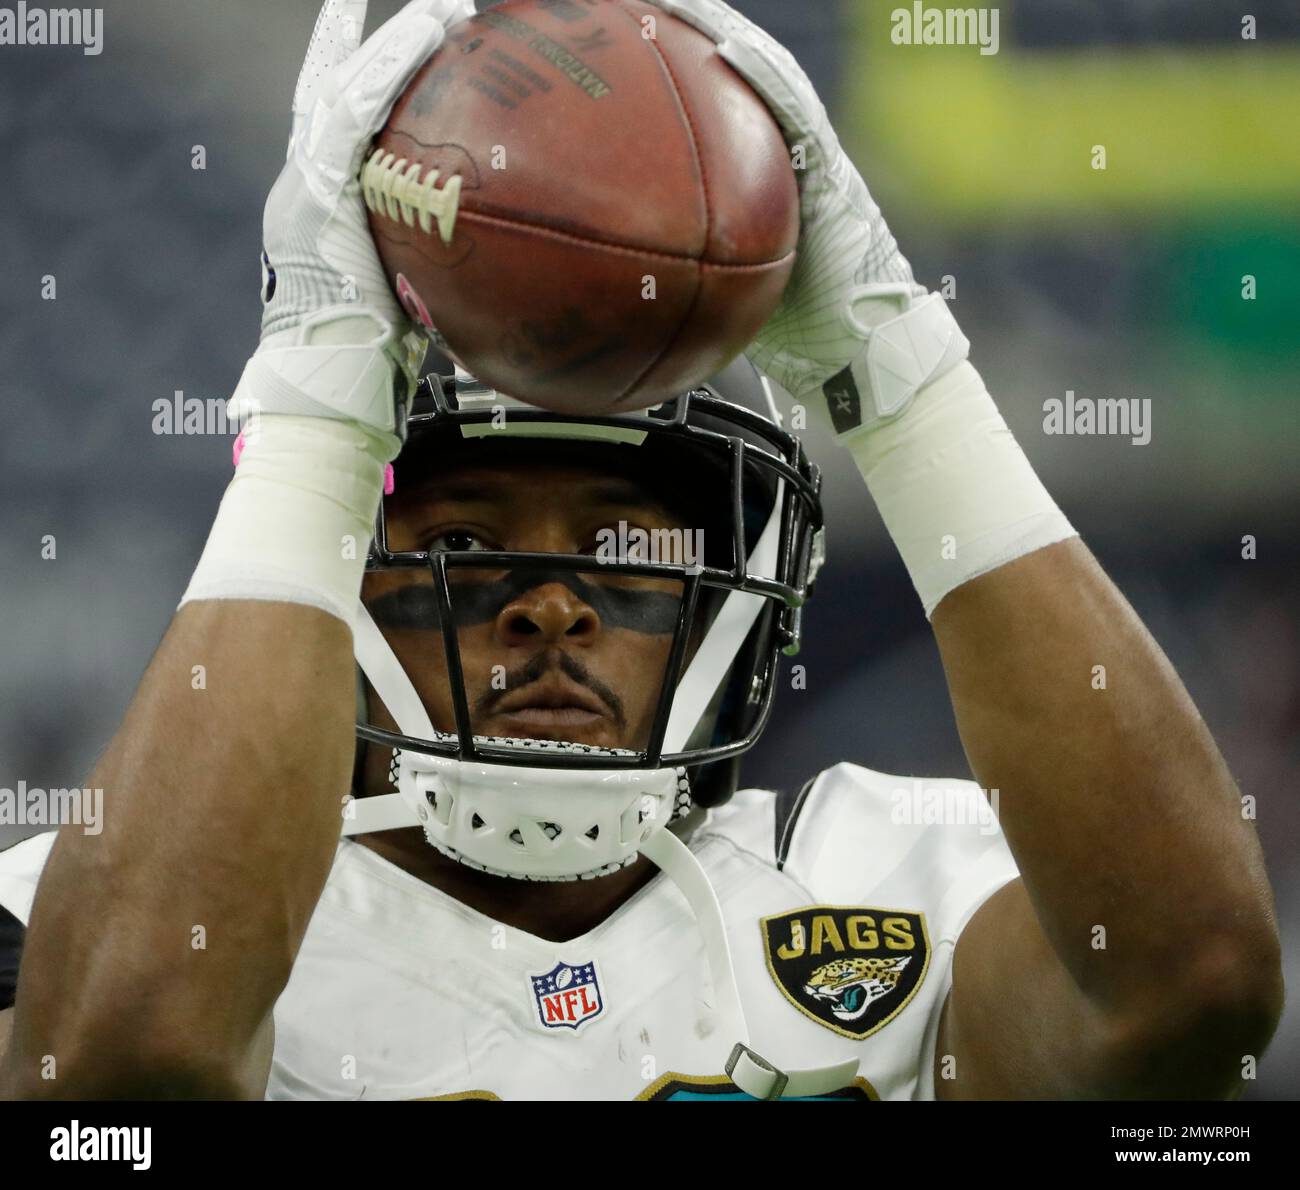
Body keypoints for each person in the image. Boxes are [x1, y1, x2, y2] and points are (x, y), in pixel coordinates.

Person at [0, 0, 1282, 1101]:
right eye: (463, 542)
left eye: (622, 547)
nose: (551, 604)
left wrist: (898, 370)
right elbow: (127, 1070)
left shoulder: (873, 890)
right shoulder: (108, 910)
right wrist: (314, 412)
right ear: (333, 581)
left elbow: (1196, 989)